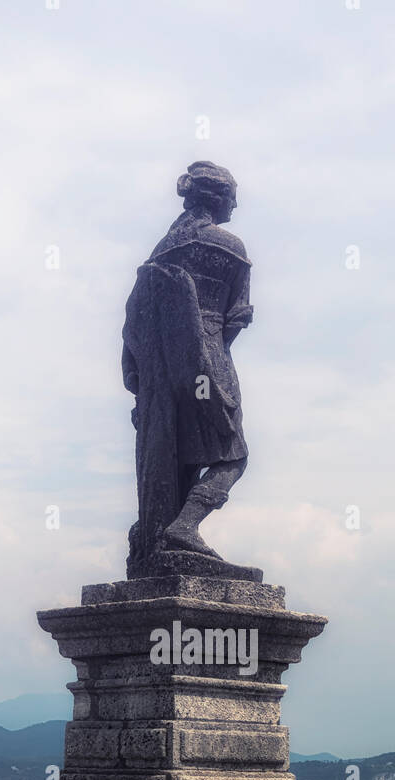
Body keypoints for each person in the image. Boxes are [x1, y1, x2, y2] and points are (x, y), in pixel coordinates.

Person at [122, 162, 253, 575]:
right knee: (233, 455)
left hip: (160, 372)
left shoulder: (161, 250)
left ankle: (164, 540)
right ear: (218, 198)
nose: (236, 205)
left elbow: (134, 321)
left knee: (179, 456)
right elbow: (235, 319)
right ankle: (184, 527)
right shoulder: (231, 248)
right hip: (209, 358)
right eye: (233, 196)